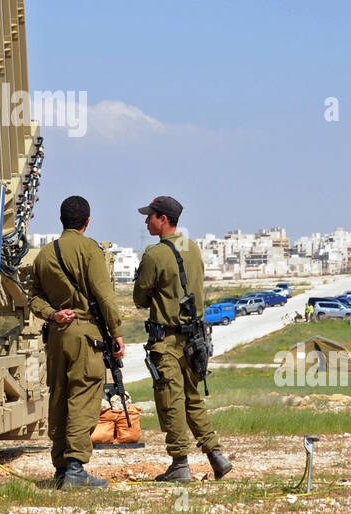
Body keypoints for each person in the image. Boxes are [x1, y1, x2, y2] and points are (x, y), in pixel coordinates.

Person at [133, 196, 232, 483]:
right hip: (195, 340)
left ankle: (179, 464)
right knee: (192, 398)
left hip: (167, 341)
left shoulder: (155, 254)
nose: (146, 221)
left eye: (150, 216)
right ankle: (215, 454)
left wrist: (154, 293)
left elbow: (140, 297)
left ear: (163, 219)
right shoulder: (193, 248)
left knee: (171, 401)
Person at [26, 195, 123, 489]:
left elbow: (33, 298)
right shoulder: (90, 250)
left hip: (57, 336)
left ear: (61, 221)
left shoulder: (44, 254)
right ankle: (76, 468)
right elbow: (104, 295)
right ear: (87, 222)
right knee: (83, 396)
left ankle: (60, 469)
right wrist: (116, 331)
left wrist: (53, 314)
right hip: (86, 335)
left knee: (59, 397)